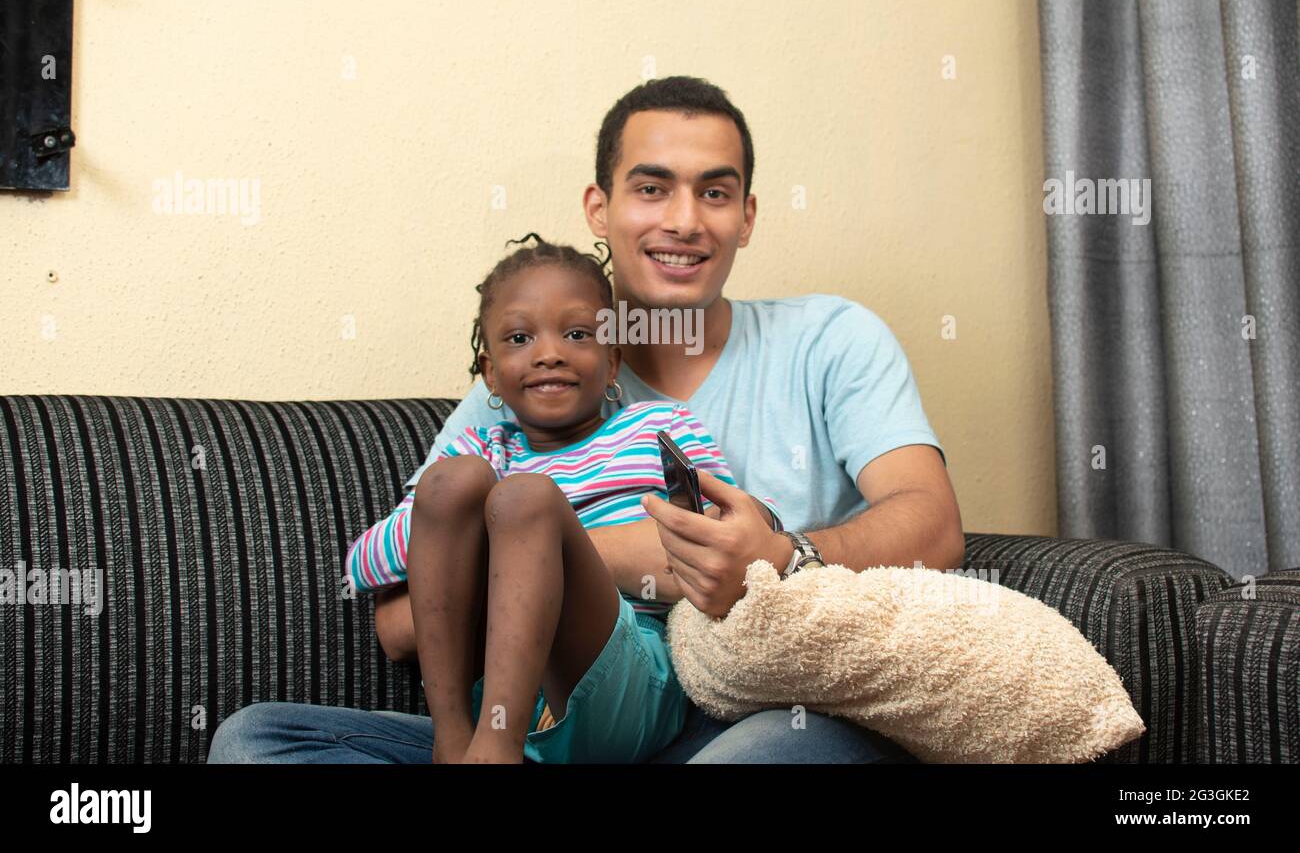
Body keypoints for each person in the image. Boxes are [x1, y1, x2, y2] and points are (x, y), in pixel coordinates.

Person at [208, 75, 964, 763]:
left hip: (739, 717)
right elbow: (401, 623)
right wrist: (576, 560)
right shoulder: (520, 392)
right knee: (254, 744)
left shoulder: (831, 339)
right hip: (531, 722)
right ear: (599, 209)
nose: (684, 220)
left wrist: (775, 554)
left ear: (748, 217)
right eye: (652, 188)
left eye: (715, 192)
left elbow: (933, 527)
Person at [344, 233, 780, 763]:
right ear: (491, 375)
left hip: (629, 676)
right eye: (519, 338)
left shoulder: (659, 425)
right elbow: (363, 566)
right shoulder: (480, 448)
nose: (549, 354)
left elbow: (728, 531)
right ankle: (452, 740)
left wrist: (519, 541)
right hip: (493, 701)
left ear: (613, 360)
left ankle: (496, 754)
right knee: (453, 482)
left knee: (524, 501)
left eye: (576, 333)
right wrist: (465, 519)